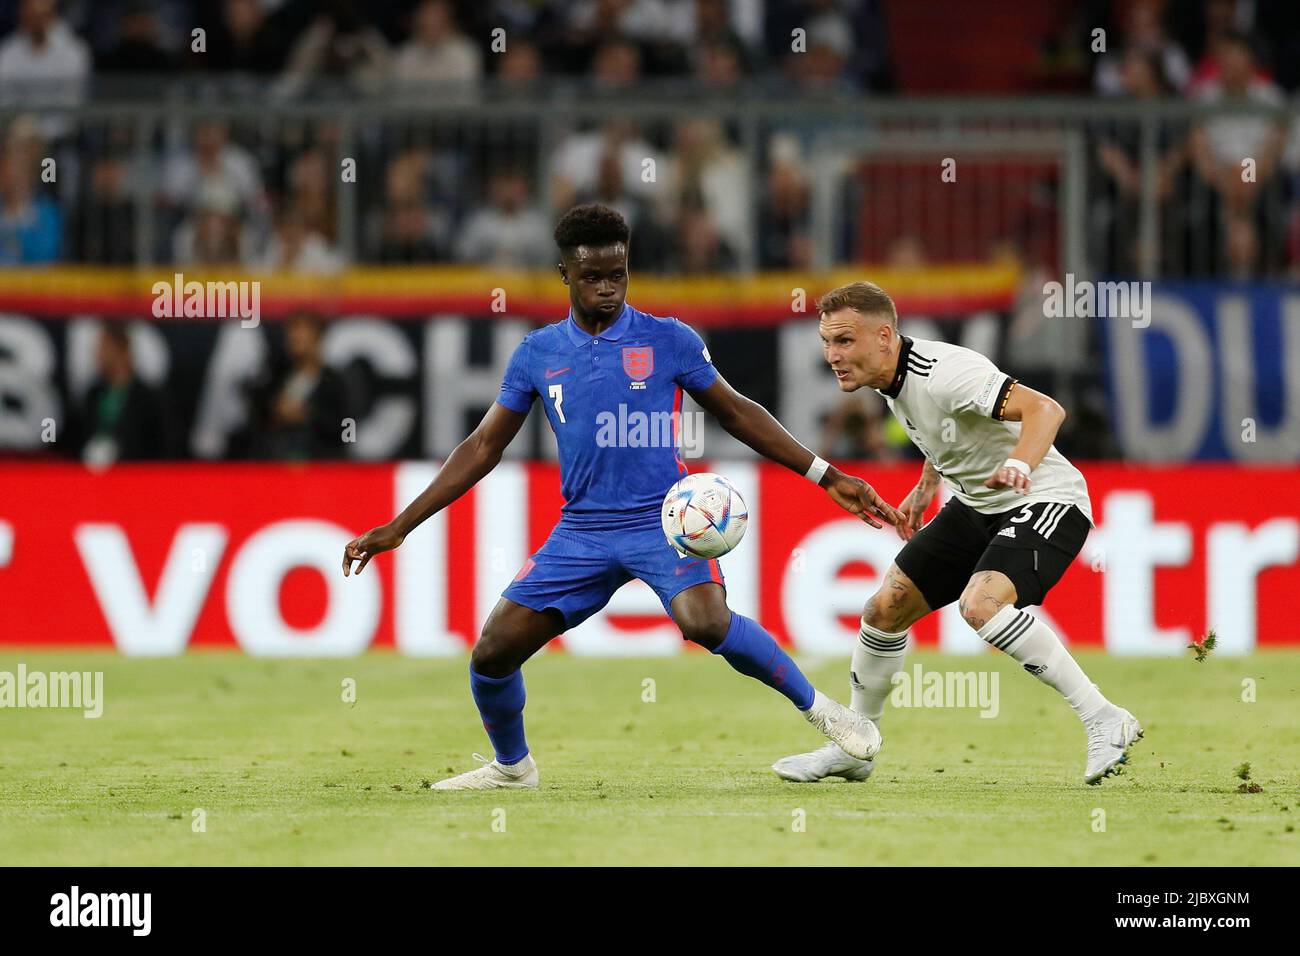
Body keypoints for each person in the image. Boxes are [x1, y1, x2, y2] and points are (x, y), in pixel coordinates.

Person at [343, 204, 902, 790]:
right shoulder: (537, 353)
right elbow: (483, 447)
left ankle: (824, 712)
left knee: (705, 622)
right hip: (582, 531)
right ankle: (513, 768)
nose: (607, 287)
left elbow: (737, 413)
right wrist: (401, 525)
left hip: (664, 520)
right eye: (592, 277)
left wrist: (824, 473)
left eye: (618, 273)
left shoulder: (669, 339)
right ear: (565, 275)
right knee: (490, 655)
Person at [774, 281, 1142, 787]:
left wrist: (1019, 463)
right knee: (884, 611)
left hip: (1046, 498)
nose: (831, 355)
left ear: (883, 337)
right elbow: (948, 429)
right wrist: (928, 486)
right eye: (826, 342)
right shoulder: (891, 378)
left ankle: (1104, 717)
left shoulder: (947, 372)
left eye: (843, 341)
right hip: (976, 506)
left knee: (980, 606)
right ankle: (856, 745)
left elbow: (1046, 410)